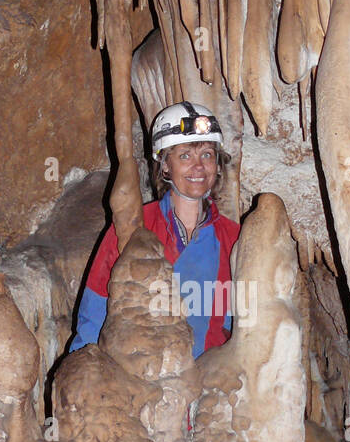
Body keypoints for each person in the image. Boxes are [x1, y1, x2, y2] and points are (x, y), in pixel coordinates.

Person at [69, 102, 240, 357]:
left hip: (210, 381)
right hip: (146, 378)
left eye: (207, 154)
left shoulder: (234, 237)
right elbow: (96, 309)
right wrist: (85, 371)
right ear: (165, 165)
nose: (198, 167)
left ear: (217, 165)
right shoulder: (134, 227)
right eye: (185, 155)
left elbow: (248, 322)